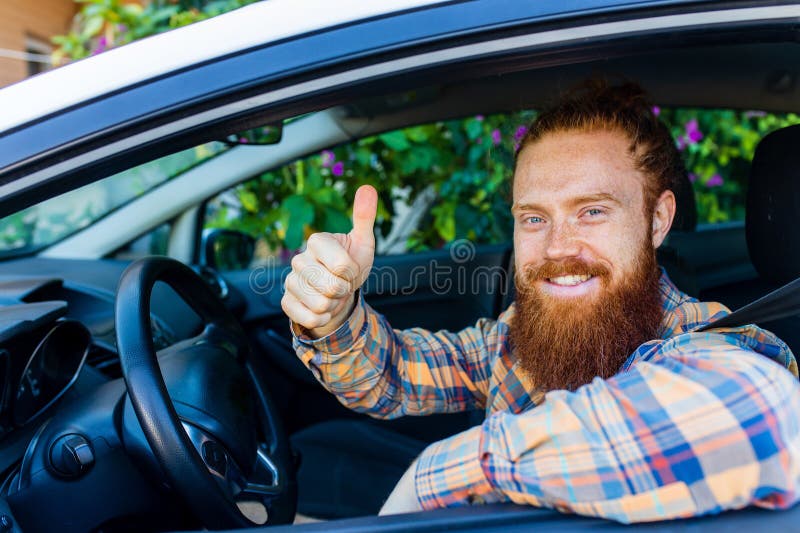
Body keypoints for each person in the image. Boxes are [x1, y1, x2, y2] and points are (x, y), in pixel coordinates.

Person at [281, 80, 800, 523]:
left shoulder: (703, 334)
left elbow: (761, 414)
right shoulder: (513, 340)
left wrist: (433, 476)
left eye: (592, 212)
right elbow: (390, 376)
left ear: (658, 219)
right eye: (534, 218)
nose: (557, 249)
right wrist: (334, 316)